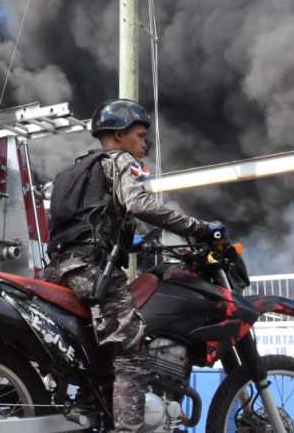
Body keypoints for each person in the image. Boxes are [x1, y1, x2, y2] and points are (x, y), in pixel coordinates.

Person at [41, 99, 216, 433]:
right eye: (140, 134)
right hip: (90, 271)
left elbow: (83, 224)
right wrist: (197, 227)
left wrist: (131, 243)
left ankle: (94, 409)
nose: (144, 143)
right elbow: (139, 203)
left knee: (92, 354)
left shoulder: (73, 171)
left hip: (58, 269)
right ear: (119, 135)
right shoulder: (121, 160)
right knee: (131, 353)